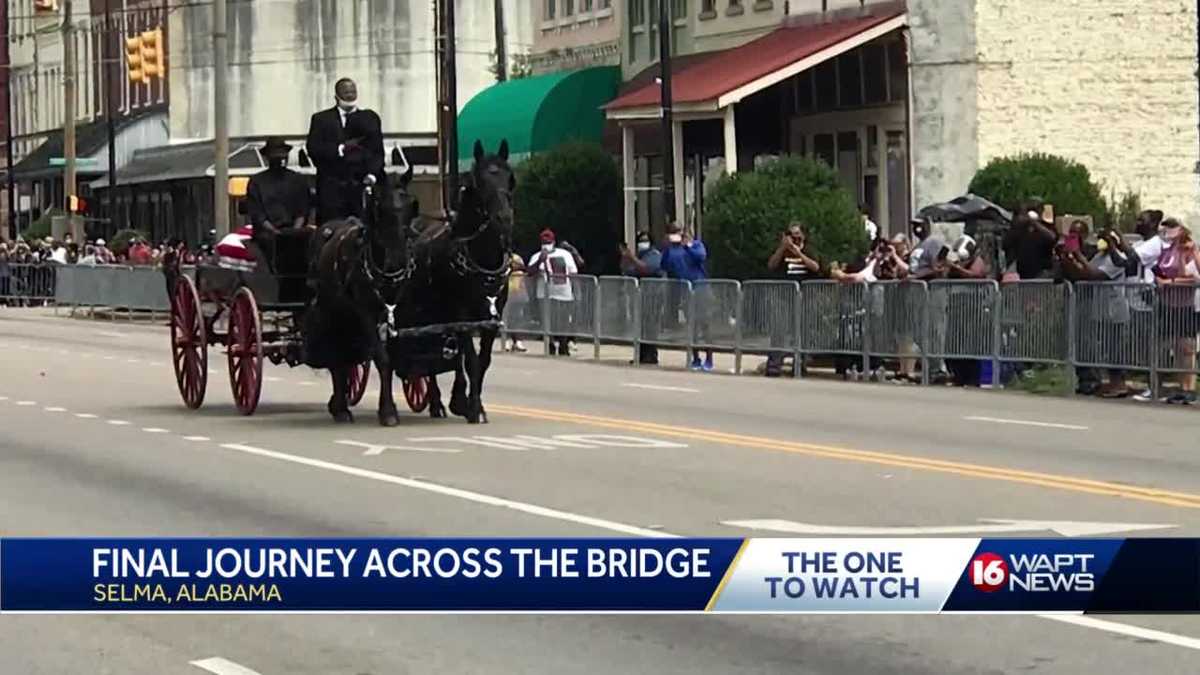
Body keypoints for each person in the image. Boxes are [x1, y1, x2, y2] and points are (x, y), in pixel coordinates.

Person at [306, 78, 385, 224]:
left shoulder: (370, 118)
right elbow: (313, 149)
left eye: (353, 92)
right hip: (332, 190)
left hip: (361, 187)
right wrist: (340, 149)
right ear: (336, 96)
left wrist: (372, 175)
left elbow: (378, 151)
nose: (350, 95)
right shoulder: (321, 119)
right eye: (346, 92)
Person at [246, 137, 313, 270]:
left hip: (294, 230)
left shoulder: (298, 179)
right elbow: (258, 215)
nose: (278, 160)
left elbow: (303, 210)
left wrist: (295, 230)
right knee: (272, 243)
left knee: (310, 242)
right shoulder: (256, 181)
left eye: (281, 157)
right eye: (274, 157)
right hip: (268, 232)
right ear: (268, 158)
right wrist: (274, 231)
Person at [764, 222, 819, 377]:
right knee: (778, 331)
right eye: (791, 235)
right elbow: (771, 265)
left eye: (797, 235)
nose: (794, 239)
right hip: (783, 297)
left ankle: (799, 365)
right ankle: (774, 365)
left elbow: (816, 267)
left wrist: (799, 253)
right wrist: (783, 248)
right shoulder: (783, 252)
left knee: (800, 333)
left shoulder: (808, 250)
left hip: (802, 298)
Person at [659, 222, 713, 371]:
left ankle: (709, 358)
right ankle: (695, 358)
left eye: (679, 232)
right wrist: (666, 248)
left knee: (704, 325)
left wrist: (687, 245)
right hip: (686, 291)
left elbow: (701, 257)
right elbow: (664, 265)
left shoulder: (696, 245)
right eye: (674, 232)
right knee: (692, 327)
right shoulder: (671, 250)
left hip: (700, 289)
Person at [527, 229, 579, 356]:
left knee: (563, 321)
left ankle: (563, 345)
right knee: (547, 321)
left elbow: (573, 272)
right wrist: (540, 260)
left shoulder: (565, 254)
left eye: (548, 242)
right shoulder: (536, 256)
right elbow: (529, 272)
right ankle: (550, 345)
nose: (546, 244)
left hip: (564, 293)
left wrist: (576, 290)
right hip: (544, 295)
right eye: (544, 242)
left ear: (553, 242)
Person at [621, 230, 664, 365]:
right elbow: (627, 271)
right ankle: (641, 354)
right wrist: (625, 258)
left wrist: (632, 258)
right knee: (640, 327)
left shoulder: (654, 255)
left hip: (653, 296)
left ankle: (651, 355)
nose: (642, 243)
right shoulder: (639, 256)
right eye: (640, 240)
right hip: (639, 297)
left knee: (650, 327)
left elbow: (647, 269)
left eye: (645, 240)